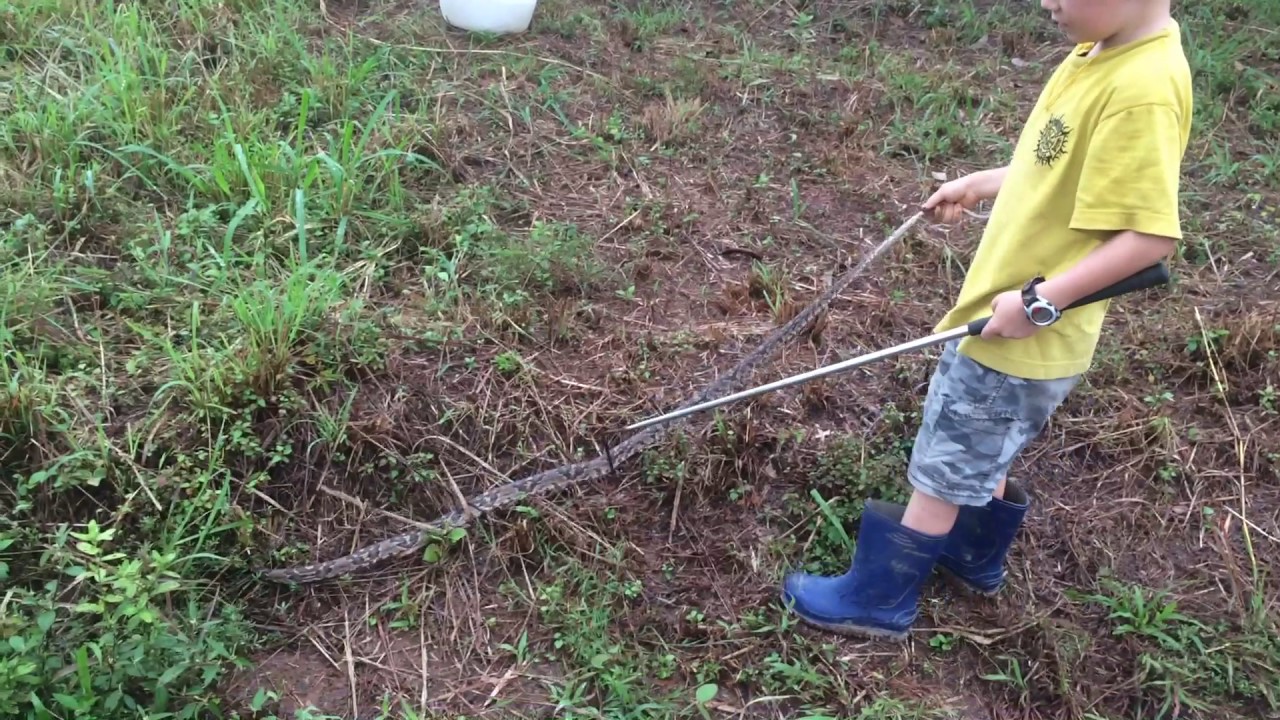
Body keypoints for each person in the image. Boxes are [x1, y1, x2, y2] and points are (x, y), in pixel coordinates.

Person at [780, 0, 1193, 640]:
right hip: (1008, 319)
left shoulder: (1142, 89)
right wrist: (984, 181)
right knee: (984, 447)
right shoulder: (1098, 49)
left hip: (1019, 337)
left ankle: (880, 599)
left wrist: (1037, 303)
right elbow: (1053, 167)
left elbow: (1148, 238)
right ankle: (972, 553)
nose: (1047, 3)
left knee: (946, 465)